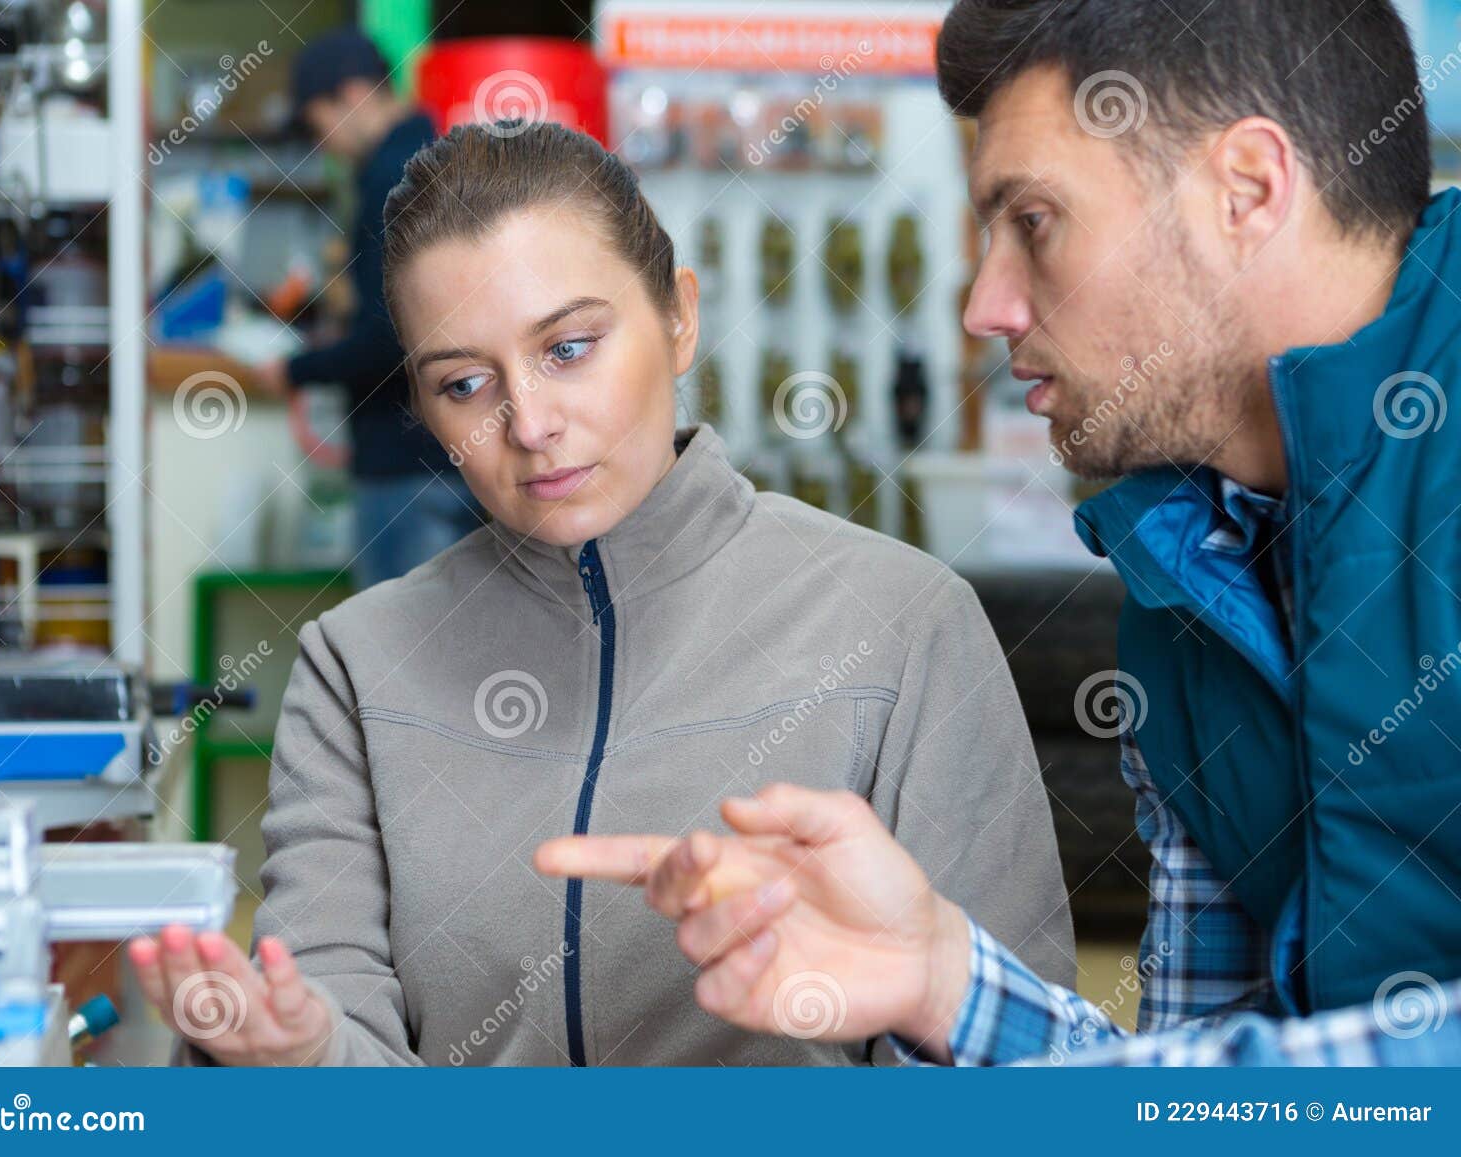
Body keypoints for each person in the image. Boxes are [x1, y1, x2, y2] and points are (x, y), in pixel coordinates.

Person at [536, 0, 1461, 1066]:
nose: (984, 303)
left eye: (1032, 221)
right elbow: (1194, 1082)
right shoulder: (1180, 583)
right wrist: (941, 978)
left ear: (1244, 190)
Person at [132, 121, 1074, 1067]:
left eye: (571, 348)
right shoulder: (359, 663)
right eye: (463, 382)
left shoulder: (903, 624)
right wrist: (296, 1058)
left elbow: (1020, 1070)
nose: (531, 423)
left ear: (680, 320)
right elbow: (346, 1045)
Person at [252, 28, 481, 589]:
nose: (321, 141)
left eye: (317, 121)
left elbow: (391, 338)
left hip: (404, 466)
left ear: (354, 94)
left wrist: (294, 370)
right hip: (454, 454)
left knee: (399, 663)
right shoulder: (441, 160)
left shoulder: (390, 179)